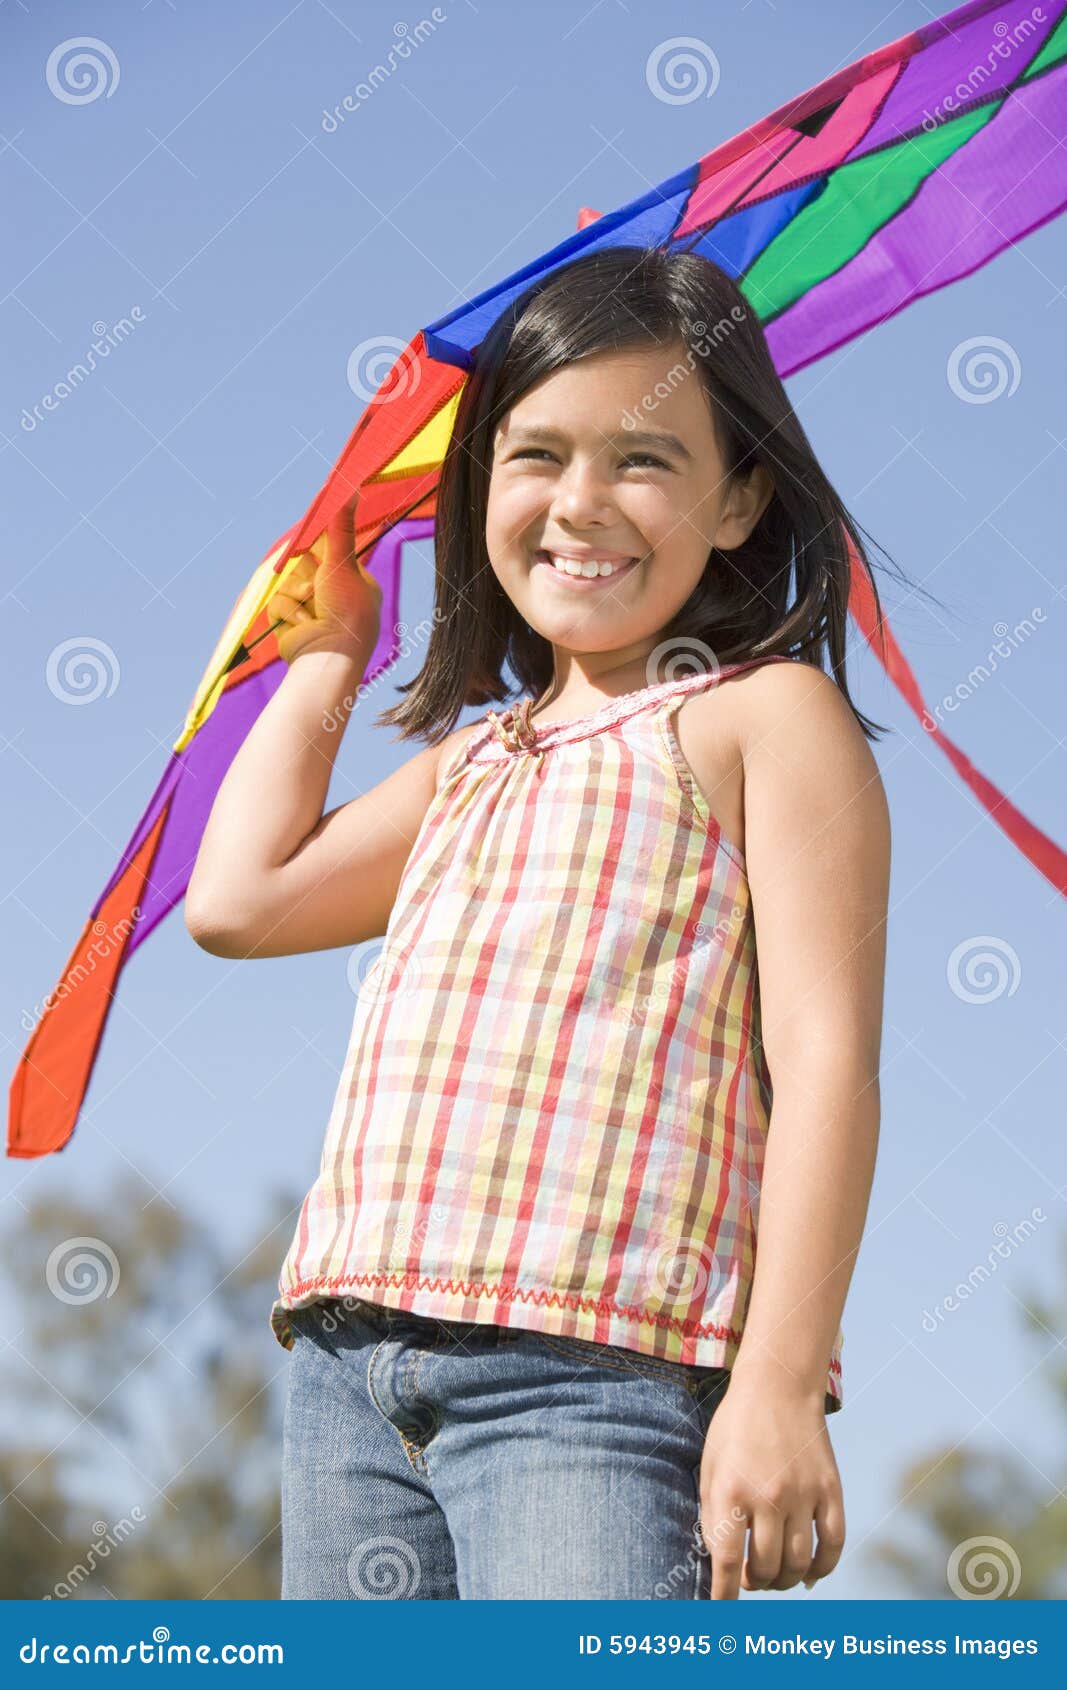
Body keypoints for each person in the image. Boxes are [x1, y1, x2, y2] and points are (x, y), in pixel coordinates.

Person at [186, 245, 892, 1601]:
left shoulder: (757, 719)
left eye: (644, 460)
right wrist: (331, 657)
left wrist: (780, 1382)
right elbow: (239, 902)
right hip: (350, 1364)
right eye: (537, 455)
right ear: (481, 485)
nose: (580, 502)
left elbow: (827, 1063)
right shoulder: (472, 761)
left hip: (594, 1370)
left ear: (741, 499)